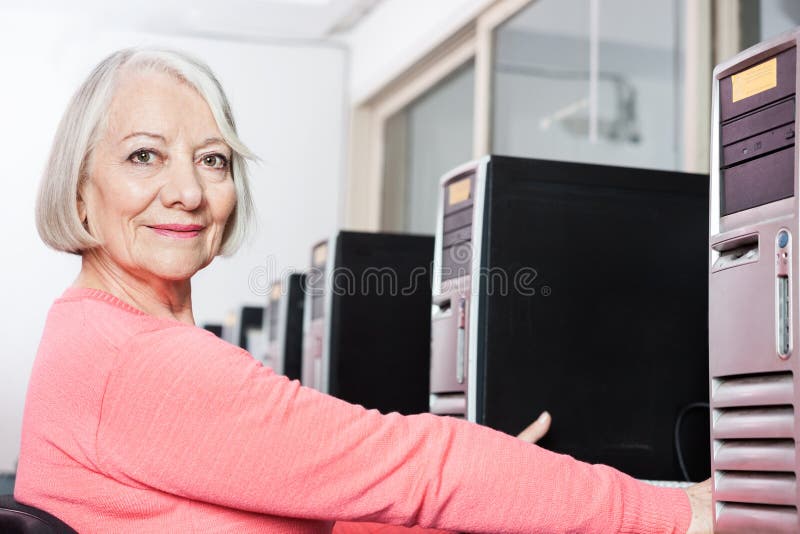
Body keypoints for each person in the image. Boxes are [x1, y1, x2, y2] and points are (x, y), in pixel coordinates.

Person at [16, 47, 712, 533]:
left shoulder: (91, 337)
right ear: (80, 197)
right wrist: (677, 514)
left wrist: (500, 485)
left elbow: (326, 507)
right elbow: (409, 468)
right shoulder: (136, 363)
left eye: (212, 160)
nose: (190, 191)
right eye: (145, 155)